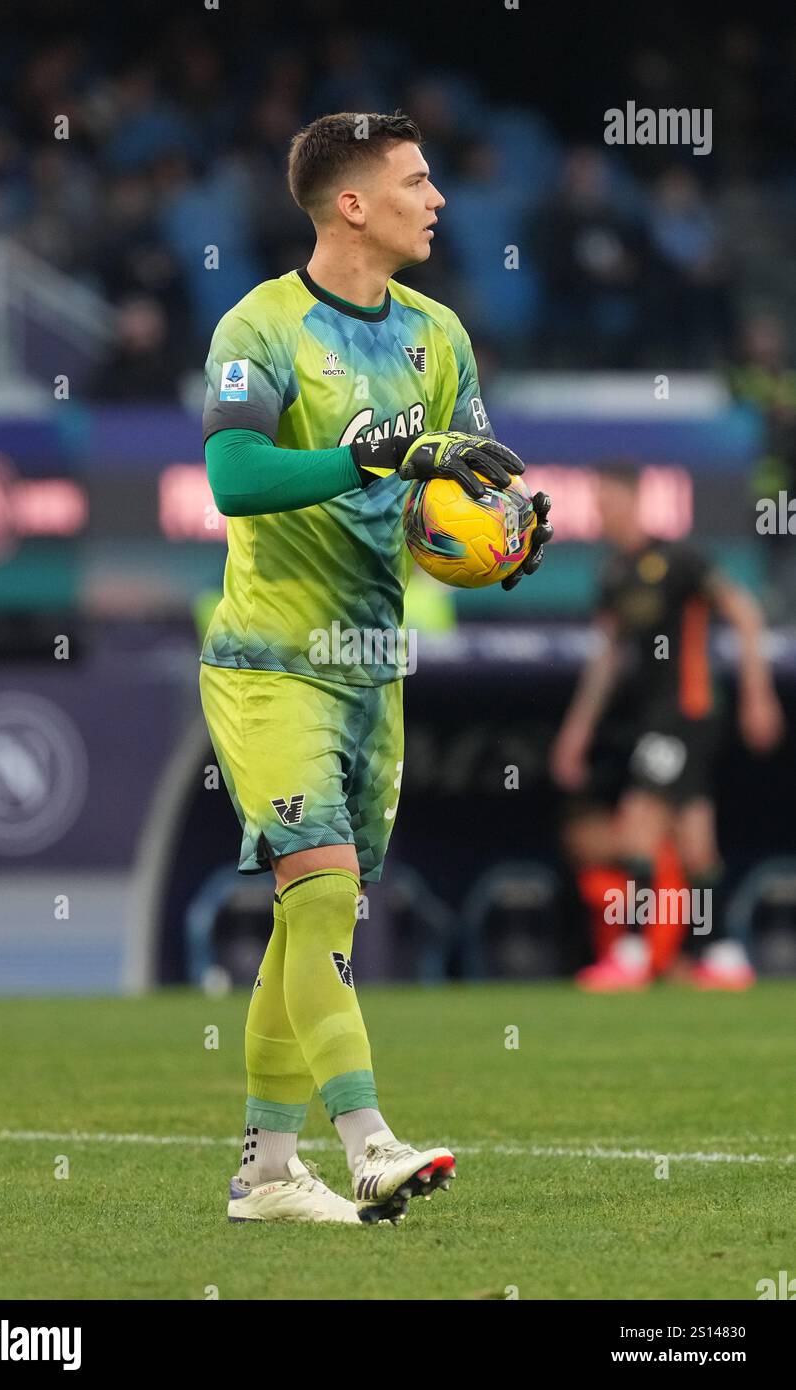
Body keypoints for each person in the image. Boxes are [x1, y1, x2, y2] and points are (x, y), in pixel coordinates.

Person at [198, 111, 552, 1224]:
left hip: (373, 669)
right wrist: (383, 450)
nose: (437, 196)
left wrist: (503, 534)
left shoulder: (438, 336)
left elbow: (454, 493)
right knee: (323, 887)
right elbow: (236, 476)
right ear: (351, 205)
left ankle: (262, 1172)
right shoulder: (259, 324)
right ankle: (368, 1144)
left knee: (314, 918)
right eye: (414, 179)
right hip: (270, 662)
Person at [550, 460, 783, 991]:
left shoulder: (680, 559)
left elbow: (744, 611)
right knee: (695, 840)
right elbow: (607, 658)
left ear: (633, 500)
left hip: (690, 711)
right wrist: (577, 730)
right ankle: (723, 955)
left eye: (606, 502)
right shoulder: (614, 574)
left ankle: (631, 952)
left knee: (636, 822)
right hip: (656, 717)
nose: (600, 514)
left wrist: (757, 693)